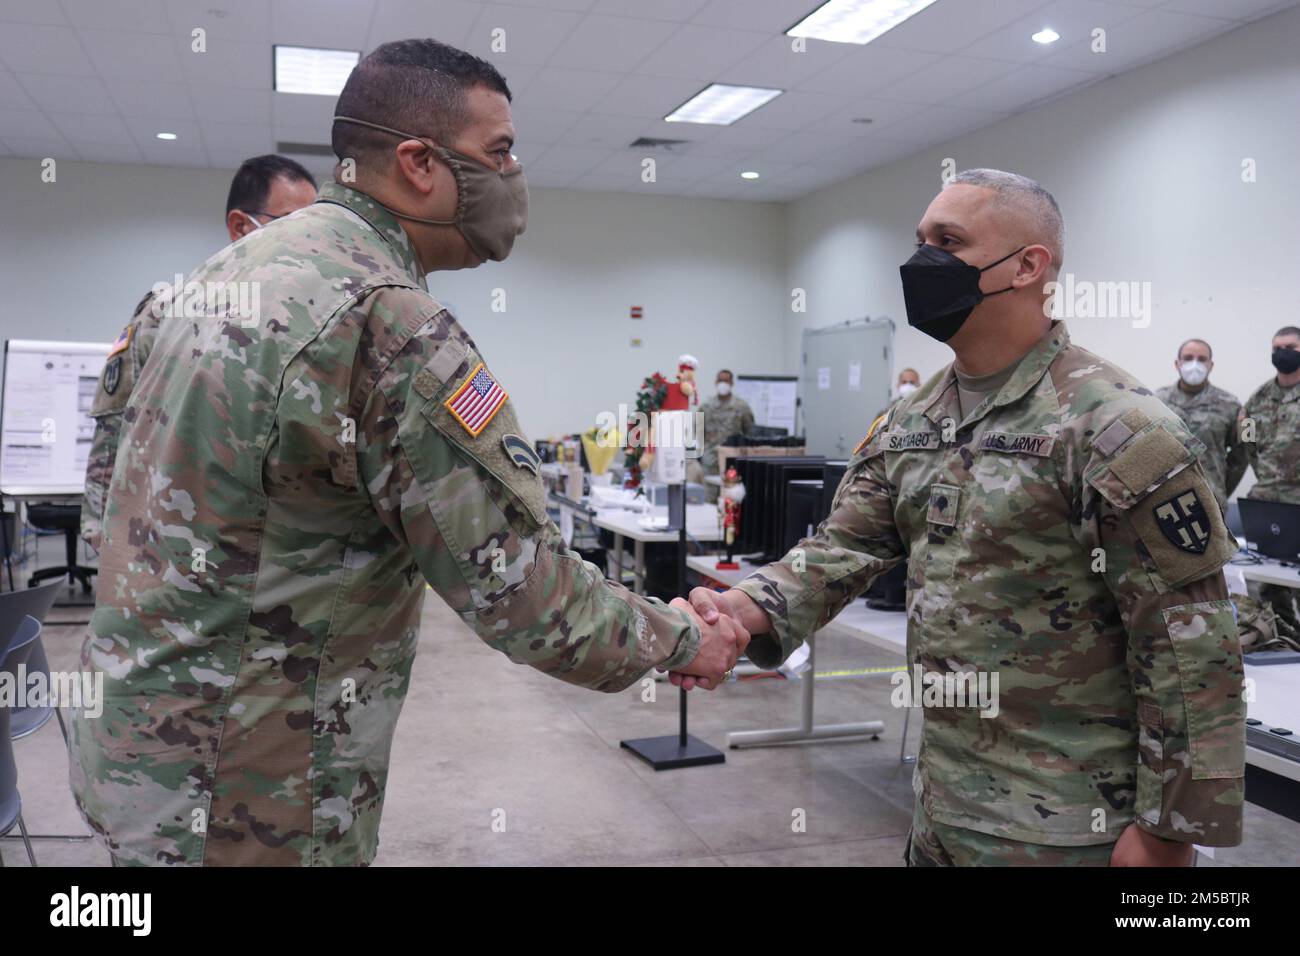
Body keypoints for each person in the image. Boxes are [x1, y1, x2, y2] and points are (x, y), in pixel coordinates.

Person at [69, 38, 747, 867]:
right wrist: (681, 639)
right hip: (257, 794)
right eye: (499, 151)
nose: (513, 175)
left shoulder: (193, 287)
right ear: (419, 163)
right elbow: (521, 592)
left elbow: (103, 500)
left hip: (136, 754)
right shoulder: (389, 325)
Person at [682, 169, 1245, 867]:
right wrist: (731, 612)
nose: (923, 261)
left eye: (948, 242)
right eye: (920, 240)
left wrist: (1169, 830)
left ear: (1027, 266)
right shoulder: (911, 421)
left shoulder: (1116, 426)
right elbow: (839, 551)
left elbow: (1192, 640)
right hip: (941, 810)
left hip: (1070, 828)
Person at [80, 155, 319, 548]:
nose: (309, 243)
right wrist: (103, 536)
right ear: (241, 226)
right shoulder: (168, 312)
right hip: (174, 543)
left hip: (280, 550)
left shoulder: (317, 319)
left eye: (315, 228)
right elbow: (115, 426)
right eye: (293, 224)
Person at [1240, 326, 1300, 633]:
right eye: (1277, 348)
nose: (1282, 353)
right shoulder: (1258, 398)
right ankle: (1284, 639)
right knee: (1269, 585)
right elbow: (1249, 444)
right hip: (1269, 501)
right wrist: (1268, 476)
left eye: (1290, 347)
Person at [1154, 338, 1247, 510]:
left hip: (1210, 501)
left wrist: (1220, 488)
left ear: (1211, 365)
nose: (1194, 364)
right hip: (1163, 501)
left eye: (1202, 359)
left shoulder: (1231, 404)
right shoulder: (1157, 401)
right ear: (1177, 364)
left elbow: (1243, 451)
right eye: (1188, 358)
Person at [689, 369, 755, 499]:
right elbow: (697, 431)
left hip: (732, 459)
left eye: (726, 380)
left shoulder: (741, 407)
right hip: (710, 459)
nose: (723, 383)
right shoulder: (706, 406)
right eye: (720, 380)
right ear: (715, 382)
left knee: (731, 496)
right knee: (709, 495)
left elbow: (749, 432)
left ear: (731, 383)